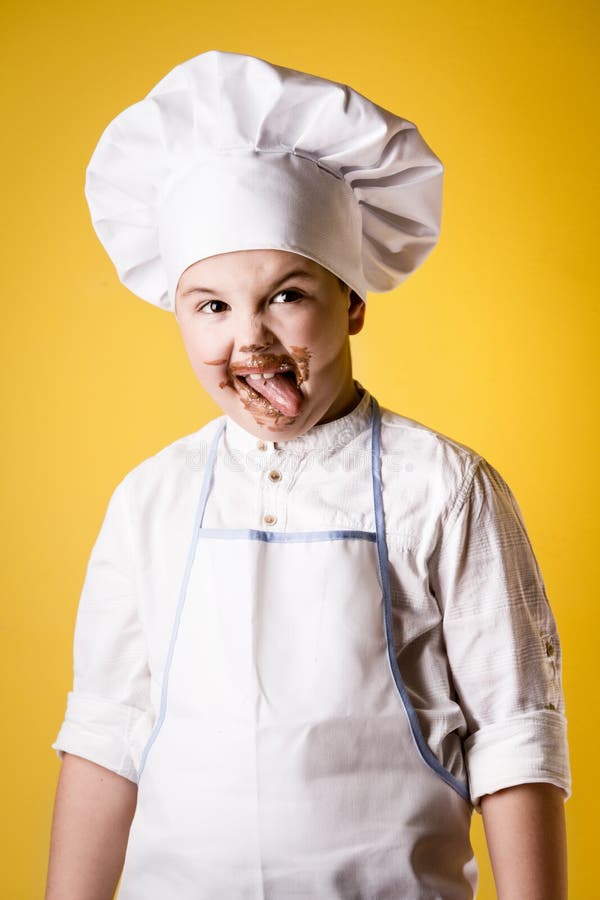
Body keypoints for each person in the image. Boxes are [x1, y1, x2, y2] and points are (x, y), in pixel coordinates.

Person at [45, 51, 571, 899]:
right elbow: (107, 737)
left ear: (353, 299)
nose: (249, 341)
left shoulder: (444, 487)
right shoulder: (151, 499)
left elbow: (514, 736)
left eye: (287, 296)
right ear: (178, 315)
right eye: (211, 305)